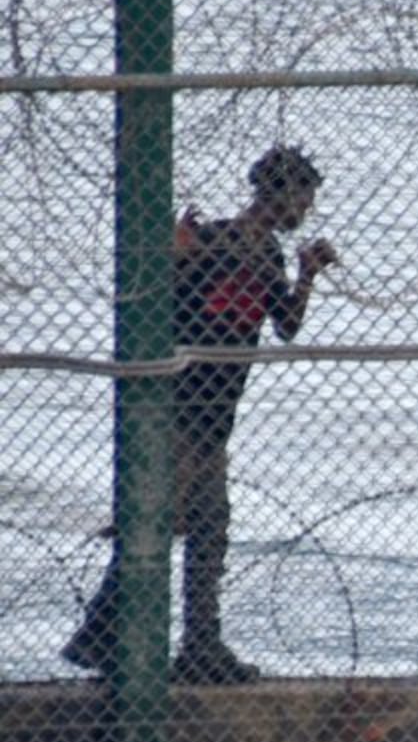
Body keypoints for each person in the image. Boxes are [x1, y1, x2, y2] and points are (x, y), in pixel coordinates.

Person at [62, 144, 339, 684]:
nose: (304, 210)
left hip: (215, 419)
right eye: (301, 197)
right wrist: (171, 257)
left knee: (210, 529)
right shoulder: (209, 240)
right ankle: (103, 640)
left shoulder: (267, 257)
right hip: (179, 410)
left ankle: (200, 648)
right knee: (156, 526)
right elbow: (159, 303)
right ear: (275, 193)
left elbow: (285, 325)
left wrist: (306, 273)